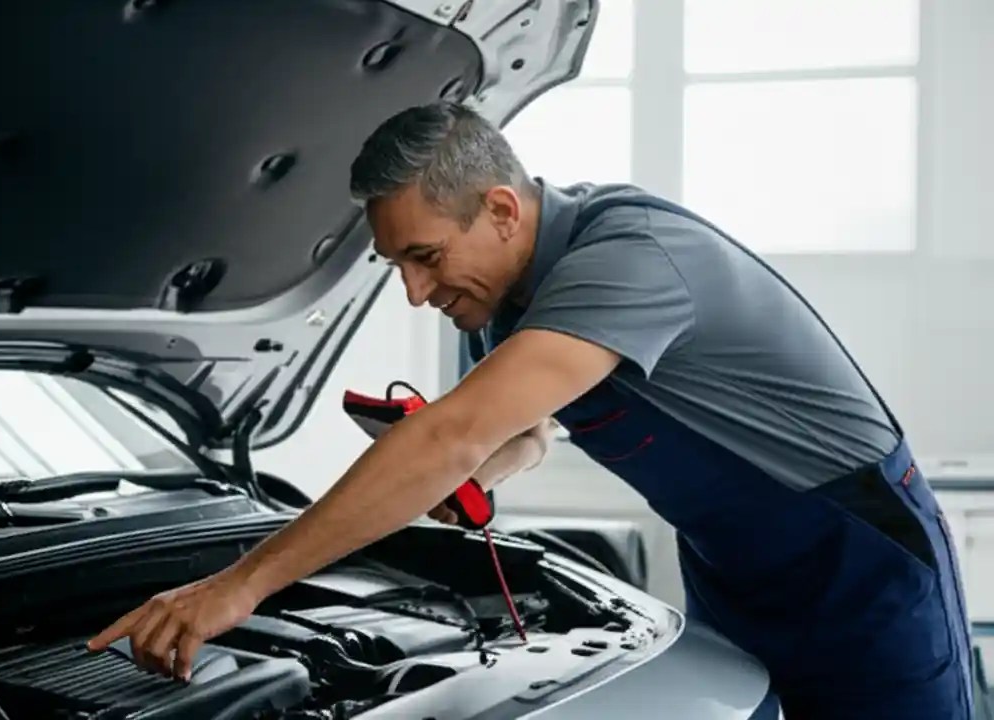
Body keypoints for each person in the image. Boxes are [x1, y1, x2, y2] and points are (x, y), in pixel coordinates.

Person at [88, 101, 973, 719]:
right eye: (397, 266)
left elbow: (453, 432)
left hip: (860, 562)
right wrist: (480, 468)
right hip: (732, 568)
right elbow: (530, 433)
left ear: (503, 209)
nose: (415, 293)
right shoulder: (505, 304)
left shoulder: (630, 256)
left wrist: (237, 586)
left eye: (426, 257)